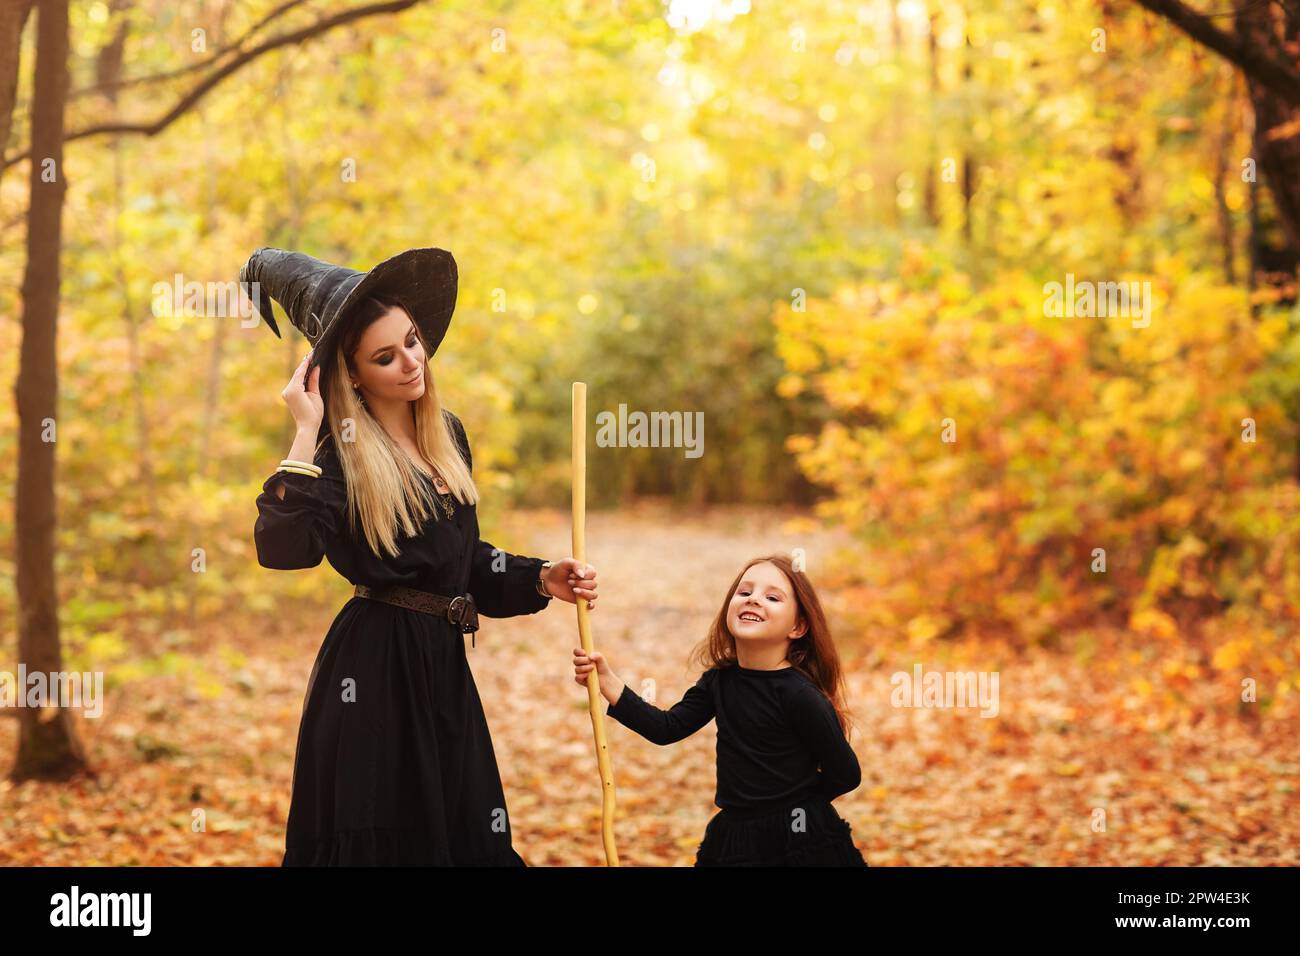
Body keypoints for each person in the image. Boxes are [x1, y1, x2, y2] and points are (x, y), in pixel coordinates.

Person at [245, 246, 598, 865]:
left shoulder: (447, 433)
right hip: (374, 677)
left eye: (412, 341)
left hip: (441, 670)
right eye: (386, 356)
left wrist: (541, 578)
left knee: (469, 838)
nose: (412, 362)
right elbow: (282, 549)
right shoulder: (338, 455)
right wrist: (304, 429)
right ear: (351, 374)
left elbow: (461, 560)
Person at [573, 554, 866, 866]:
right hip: (734, 836)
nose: (753, 600)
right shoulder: (720, 681)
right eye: (744, 592)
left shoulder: (799, 695)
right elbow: (666, 728)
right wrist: (607, 681)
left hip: (799, 835)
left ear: (798, 626)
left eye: (771, 597)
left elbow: (845, 774)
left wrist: (797, 806)